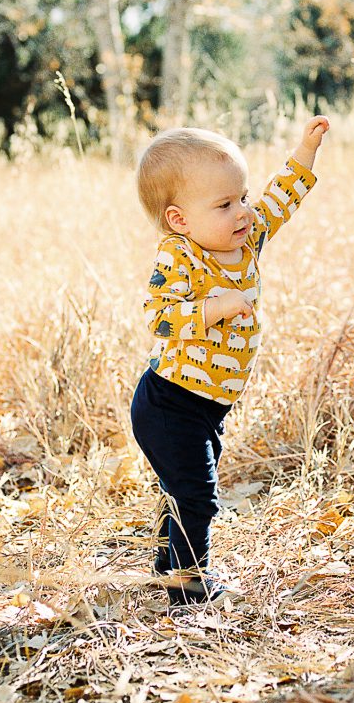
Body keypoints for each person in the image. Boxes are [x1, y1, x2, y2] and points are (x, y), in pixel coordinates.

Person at [130, 117, 329, 607]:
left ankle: (167, 565)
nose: (242, 212)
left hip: (209, 406)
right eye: (224, 205)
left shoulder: (246, 237)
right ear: (180, 220)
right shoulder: (180, 257)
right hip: (169, 401)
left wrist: (305, 149)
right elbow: (159, 318)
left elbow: (282, 197)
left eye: (241, 196)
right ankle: (190, 584)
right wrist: (212, 308)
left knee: (181, 488)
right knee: (198, 493)